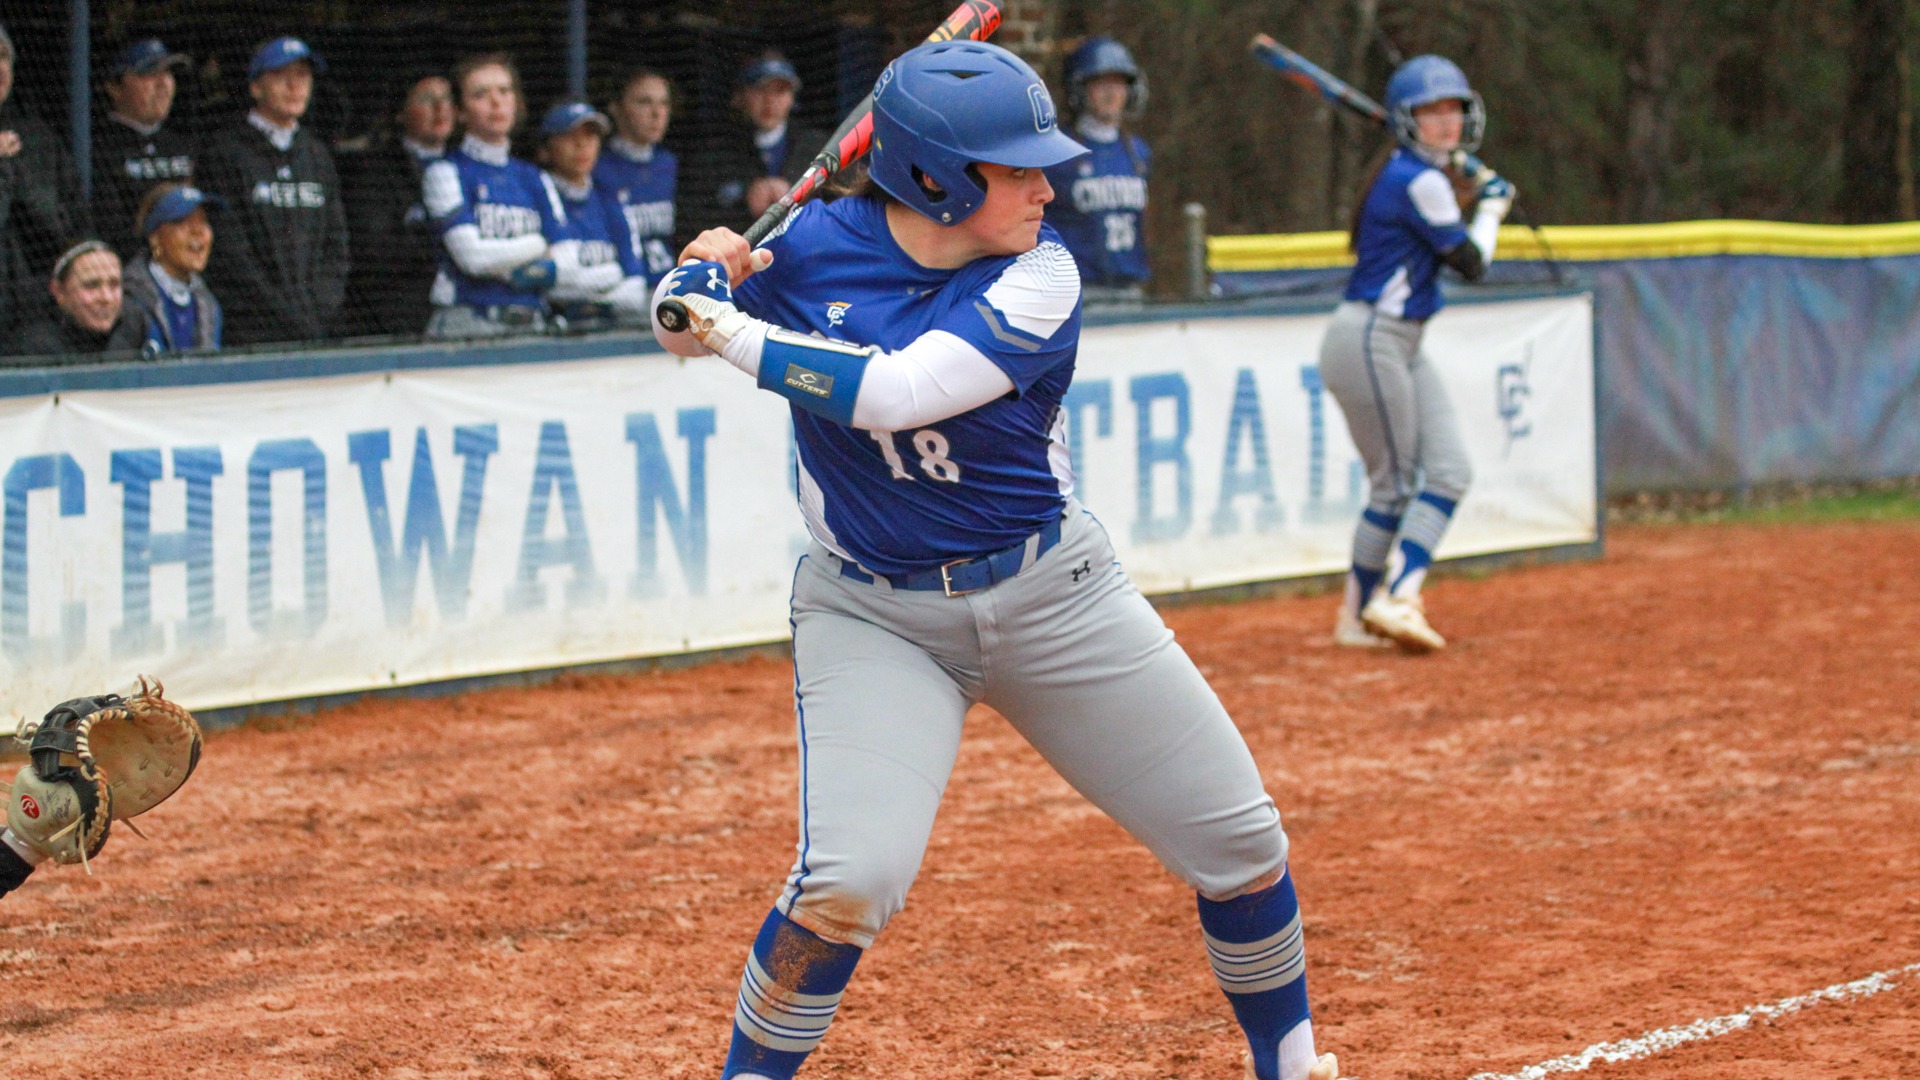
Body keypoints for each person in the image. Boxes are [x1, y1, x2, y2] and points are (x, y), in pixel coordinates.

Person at [651, 41, 1339, 1080]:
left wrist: (727, 323)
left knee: (1240, 846)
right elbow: (675, 331)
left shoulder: (1042, 274)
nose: (1045, 184)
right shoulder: (809, 247)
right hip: (871, 614)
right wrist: (701, 275)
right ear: (934, 177)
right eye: (1016, 167)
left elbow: (892, 392)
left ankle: (1289, 1067)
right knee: (849, 880)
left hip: (1053, 596)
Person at [1320, 55, 1514, 652]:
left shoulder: (1422, 175)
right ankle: (1381, 606)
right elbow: (1472, 265)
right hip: (1370, 336)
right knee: (1395, 483)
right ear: (1408, 121)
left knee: (1449, 471)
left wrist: (1470, 185)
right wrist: (1493, 204)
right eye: (1431, 111)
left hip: (1403, 340)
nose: (1446, 120)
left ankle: (1382, 604)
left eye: (1453, 108)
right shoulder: (1417, 180)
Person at [197, 36, 349, 347]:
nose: (295, 87)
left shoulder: (318, 155)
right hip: (251, 332)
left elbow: (337, 245)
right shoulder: (225, 154)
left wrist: (319, 308)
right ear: (255, 87)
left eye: (303, 76)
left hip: (316, 328)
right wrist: (282, 313)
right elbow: (231, 251)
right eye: (281, 76)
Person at [422, 53, 573, 339]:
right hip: (468, 322)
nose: (496, 102)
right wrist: (540, 245)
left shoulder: (536, 177)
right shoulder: (444, 172)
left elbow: (568, 259)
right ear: (461, 111)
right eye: (481, 94)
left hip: (534, 324)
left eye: (504, 91)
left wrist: (506, 265)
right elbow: (473, 259)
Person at [341, 70, 455, 338]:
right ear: (400, 113)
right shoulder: (374, 171)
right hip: (398, 321)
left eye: (447, 98)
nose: (440, 108)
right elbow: (373, 249)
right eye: (427, 99)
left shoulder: (467, 166)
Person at [0, 24, 93, 338]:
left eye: (3, 57)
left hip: (39, 312)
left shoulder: (38, 139)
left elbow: (75, 224)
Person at [1042, 37, 1151, 301]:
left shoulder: (1138, 151)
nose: (1111, 92)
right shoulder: (1058, 152)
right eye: (1100, 82)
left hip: (1130, 287)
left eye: (1119, 82)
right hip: (1077, 290)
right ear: (1079, 88)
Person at [677, 51, 826, 243]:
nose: (769, 101)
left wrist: (799, 195)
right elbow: (691, 219)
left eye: (780, 91)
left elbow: (841, 205)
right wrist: (744, 199)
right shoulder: (714, 150)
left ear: (792, 99)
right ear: (740, 97)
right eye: (760, 89)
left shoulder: (817, 145)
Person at [536, 101, 650, 329]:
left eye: (590, 135)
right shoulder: (537, 195)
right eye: (569, 136)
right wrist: (612, 274)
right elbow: (547, 285)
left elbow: (636, 285)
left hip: (609, 325)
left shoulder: (609, 198)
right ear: (546, 149)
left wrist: (593, 302)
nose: (582, 145)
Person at [91, 37, 196, 259]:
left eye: (168, 73)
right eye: (149, 73)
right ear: (114, 87)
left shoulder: (185, 145)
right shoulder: (97, 148)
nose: (163, 84)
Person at [593, 67, 679, 281]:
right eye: (644, 102)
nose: (657, 113)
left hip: (673, 290)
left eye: (664, 103)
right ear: (616, 108)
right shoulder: (596, 169)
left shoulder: (671, 165)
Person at [121, 183, 224, 354]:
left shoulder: (208, 305)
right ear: (154, 237)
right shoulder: (129, 300)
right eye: (182, 221)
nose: (198, 231)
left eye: (203, 221)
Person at [13, 241, 145, 360]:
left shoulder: (133, 332)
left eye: (114, 284)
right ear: (59, 291)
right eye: (91, 285)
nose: (106, 298)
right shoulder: (35, 350)